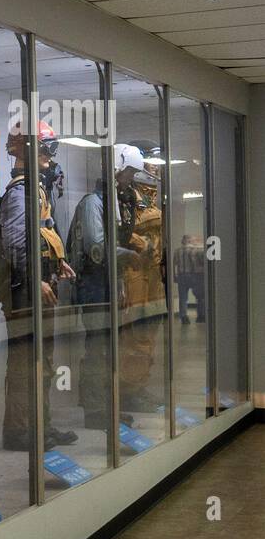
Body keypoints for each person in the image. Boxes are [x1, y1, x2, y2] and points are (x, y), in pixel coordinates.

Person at [0, 120, 77, 452]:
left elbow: (42, 235)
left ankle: (39, 425)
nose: (49, 154)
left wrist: (58, 264)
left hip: (41, 286)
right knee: (23, 362)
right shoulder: (20, 191)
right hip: (26, 291)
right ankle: (19, 431)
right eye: (45, 147)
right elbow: (15, 244)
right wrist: (36, 280)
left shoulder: (36, 190)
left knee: (41, 361)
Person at [66, 143, 144, 430]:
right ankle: (95, 409)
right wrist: (130, 257)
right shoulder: (93, 203)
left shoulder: (110, 204)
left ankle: (107, 405)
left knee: (109, 347)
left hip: (108, 282)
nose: (131, 179)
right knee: (97, 348)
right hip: (93, 284)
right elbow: (97, 249)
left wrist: (121, 279)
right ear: (116, 170)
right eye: (129, 173)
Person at [116, 140, 166, 413]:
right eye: (151, 163)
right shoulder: (127, 194)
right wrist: (140, 246)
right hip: (135, 269)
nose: (156, 169)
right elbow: (121, 230)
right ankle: (128, 391)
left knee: (150, 330)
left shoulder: (152, 195)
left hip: (153, 271)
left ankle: (140, 385)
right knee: (135, 333)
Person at [174, 233, 206, 324]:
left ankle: (184, 316)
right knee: (199, 296)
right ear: (189, 240)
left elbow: (174, 264)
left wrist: (174, 276)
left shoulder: (177, 251)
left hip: (181, 276)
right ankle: (200, 315)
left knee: (183, 298)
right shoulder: (194, 250)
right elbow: (195, 263)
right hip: (193, 275)